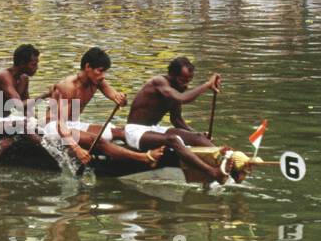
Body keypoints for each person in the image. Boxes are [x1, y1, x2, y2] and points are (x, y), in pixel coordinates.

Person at [45, 47, 162, 167]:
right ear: (88, 67)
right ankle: (144, 158)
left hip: (72, 125)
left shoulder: (97, 80)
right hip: (54, 127)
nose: (103, 76)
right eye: (100, 71)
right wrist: (76, 149)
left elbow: (116, 97)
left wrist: (121, 99)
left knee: (120, 131)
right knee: (96, 140)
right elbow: (60, 125)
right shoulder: (69, 86)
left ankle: (158, 145)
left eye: (105, 71)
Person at [124, 57, 230, 186]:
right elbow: (183, 98)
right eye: (182, 80)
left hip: (153, 129)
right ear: (172, 75)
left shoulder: (176, 90)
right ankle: (212, 172)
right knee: (173, 139)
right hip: (135, 131)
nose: (185, 85)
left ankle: (226, 161)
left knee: (197, 137)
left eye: (188, 81)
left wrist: (197, 134)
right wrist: (207, 85)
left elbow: (177, 119)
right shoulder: (159, 82)